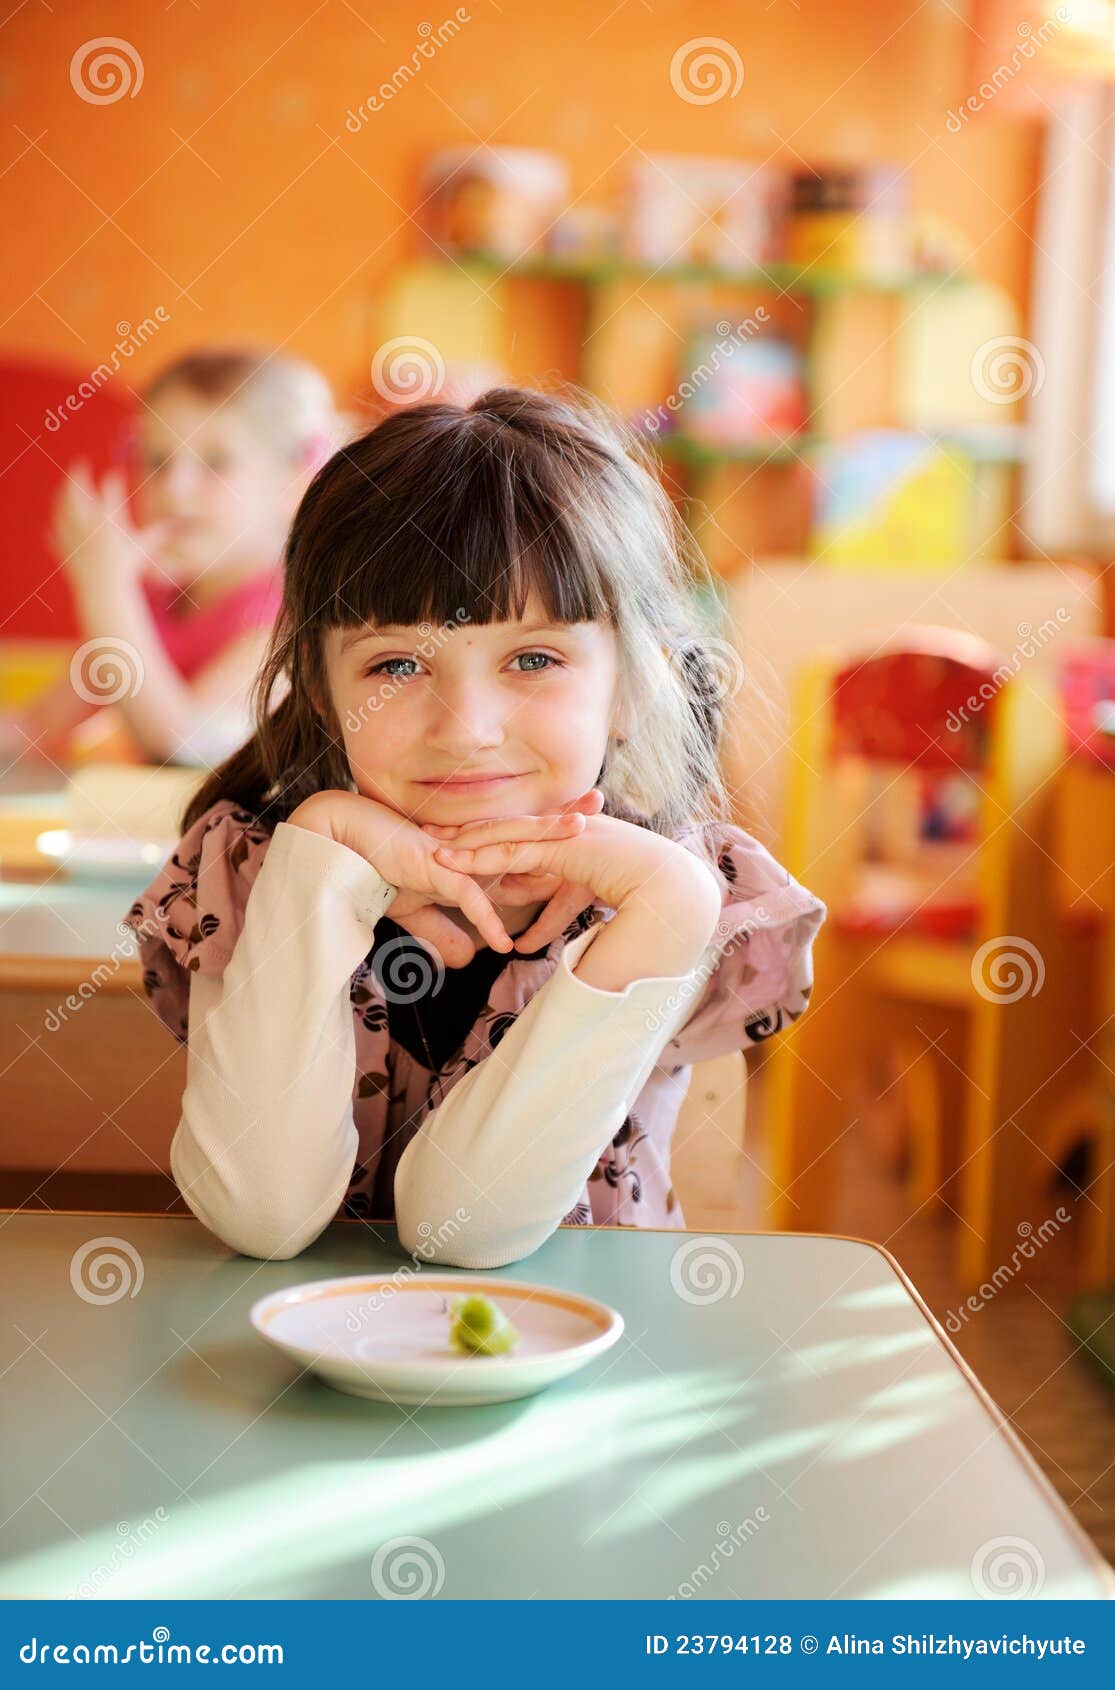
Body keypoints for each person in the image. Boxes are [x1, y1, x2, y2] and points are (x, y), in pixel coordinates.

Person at [122, 385, 826, 1269]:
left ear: (632, 686)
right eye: (396, 663)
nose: (465, 727)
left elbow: (462, 1234)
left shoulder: (675, 895)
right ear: (322, 688)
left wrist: (669, 906)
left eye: (533, 658)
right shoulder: (255, 867)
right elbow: (259, 1212)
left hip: (577, 1379)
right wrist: (318, 865)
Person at [24, 346, 340, 768]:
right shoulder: (156, 603)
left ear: (295, 481)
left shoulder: (290, 617)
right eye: (157, 460)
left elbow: (183, 743)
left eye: (215, 462)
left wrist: (107, 589)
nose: (174, 488)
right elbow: (35, 727)